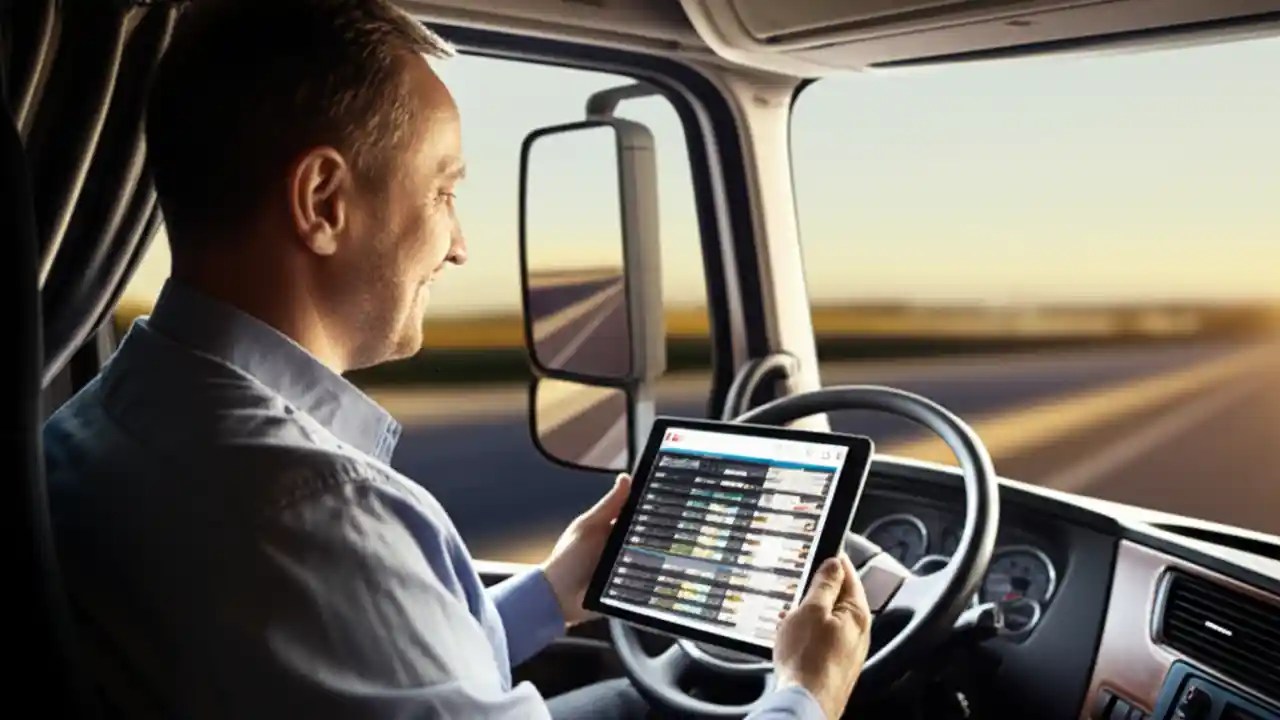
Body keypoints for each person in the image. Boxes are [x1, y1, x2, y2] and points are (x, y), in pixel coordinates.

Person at [42, 1, 872, 718]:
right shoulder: (320, 513)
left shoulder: (97, 422)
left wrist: (554, 593)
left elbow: (371, 668)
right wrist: (805, 688)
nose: (460, 244)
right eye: (442, 192)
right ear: (323, 203)